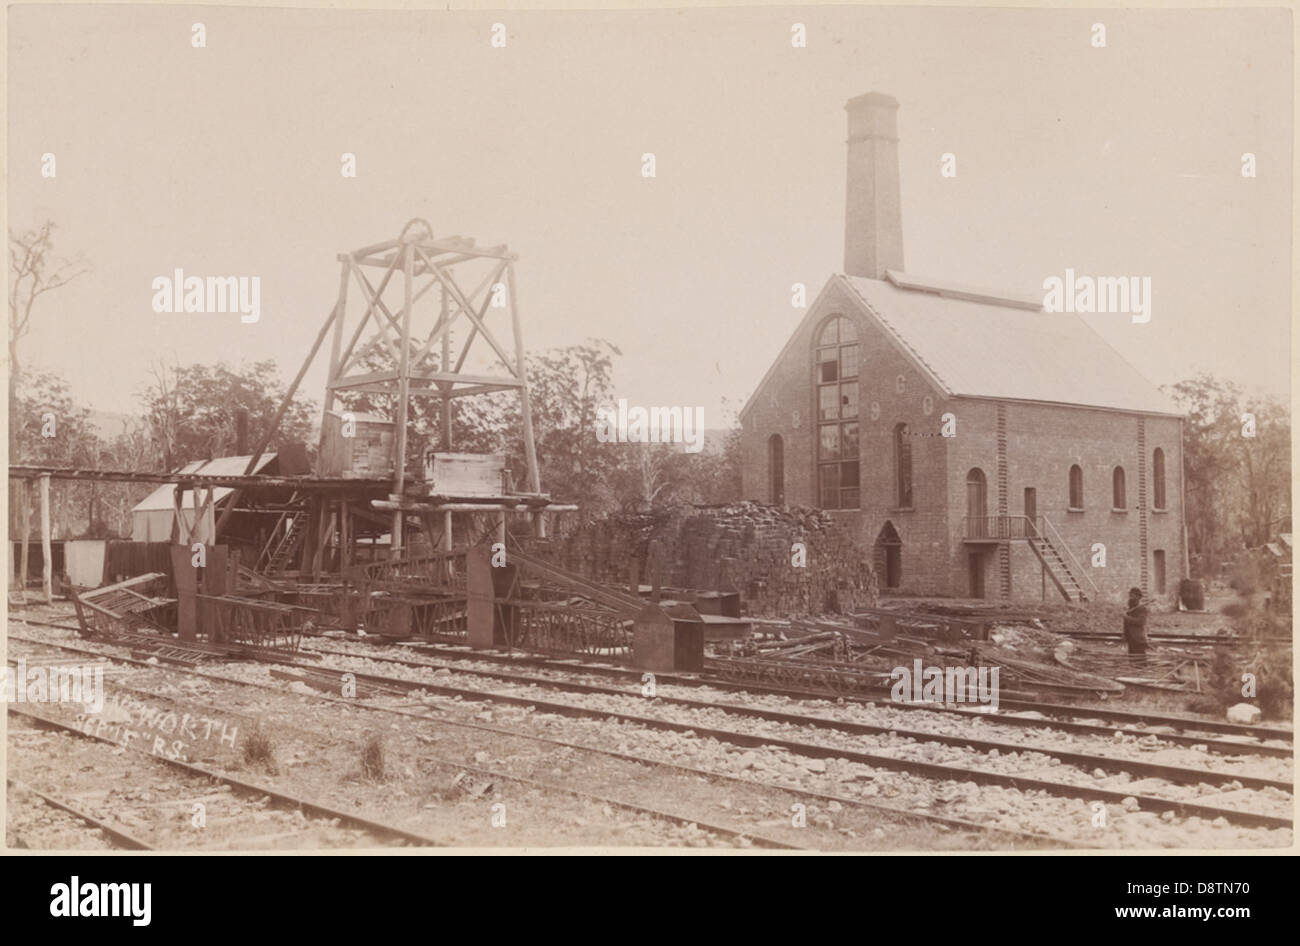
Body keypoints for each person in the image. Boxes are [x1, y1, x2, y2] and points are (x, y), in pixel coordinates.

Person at [1123, 587, 1149, 665]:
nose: (1130, 597)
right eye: (1130, 595)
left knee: (1140, 662)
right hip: (1130, 637)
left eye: (1132, 596)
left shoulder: (1142, 609)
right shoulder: (1130, 609)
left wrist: (1126, 617)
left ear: (1138, 597)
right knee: (1132, 662)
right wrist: (1124, 634)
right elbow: (1126, 624)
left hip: (1138, 639)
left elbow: (1141, 622)